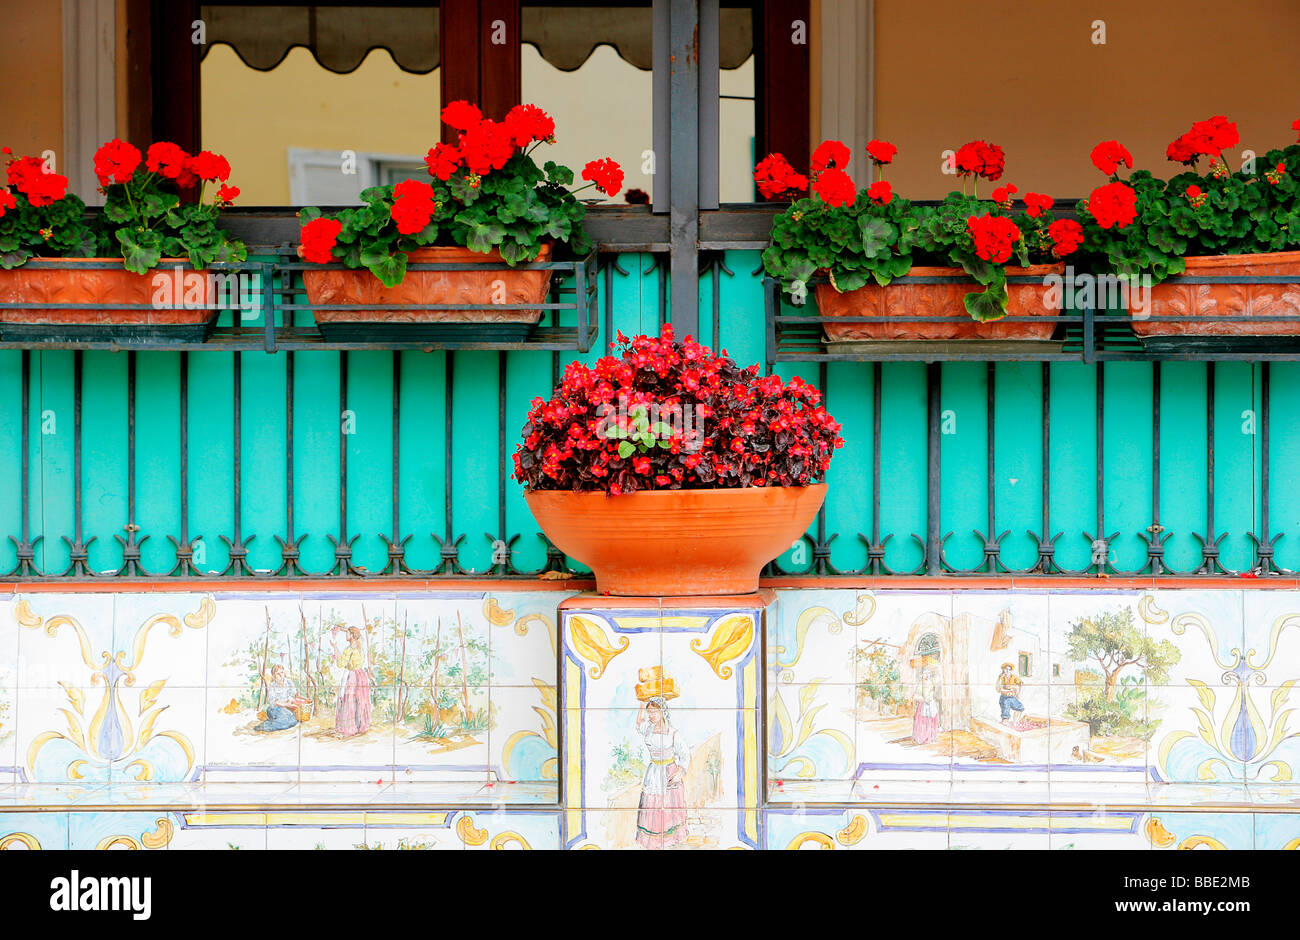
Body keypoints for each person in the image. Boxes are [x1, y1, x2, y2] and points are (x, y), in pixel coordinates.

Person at [635, 697, 689, 849]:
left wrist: (680, 772)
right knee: (652, 804)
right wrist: (641, 702)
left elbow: (685, 755)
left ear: (662, 712)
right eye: (649, 712)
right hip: (653, 772)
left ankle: (669, 839)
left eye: (654, 712)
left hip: (669, 772)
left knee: (667, 805)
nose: (650, 715)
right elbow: (638, 723)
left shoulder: (673, 733)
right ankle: (653, 841)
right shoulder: (648, 728)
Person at [333, 626, 372, 738]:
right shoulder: (359, 647)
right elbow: (356, 634)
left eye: (348, 633)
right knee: (360, 701)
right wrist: (344, 629)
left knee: (349, 701)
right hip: (361, 675)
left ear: (352, 636)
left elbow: (340, 664)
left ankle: (350, 727)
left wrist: (335, 647)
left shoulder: (349, 650)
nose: (346, 635)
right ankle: (361, 725)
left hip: (352, 677)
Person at [253, 664, 308, 732]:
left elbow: (294, 694)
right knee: (289, 721)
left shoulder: (289, 682)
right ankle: (264, 726)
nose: (280, 675)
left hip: (287, 708)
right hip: (274, 708)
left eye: (281, 672)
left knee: (293, 720)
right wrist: (286, 704)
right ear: (273, 675)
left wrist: (296, 701)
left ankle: (272, 722)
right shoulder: (272, 686)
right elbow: (274, 702)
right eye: (277, 673)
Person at [911, 664, 940, 744]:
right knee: (923, 721)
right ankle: (923, 737)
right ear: (922, 675)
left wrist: (930, 698)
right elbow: (915, 696)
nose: (927, 676)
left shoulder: (931, 683)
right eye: (925, 674)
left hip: (931, 704)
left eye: (928, 674)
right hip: (923, 705)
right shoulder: (921, 684)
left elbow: (933, 692)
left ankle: (931, 736)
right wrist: (924, 699)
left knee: (931, 720)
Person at [996, 662, 1026, 727]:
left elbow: (1021, 683)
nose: (1007, 671)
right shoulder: (1001, 677)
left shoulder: (1013, 676)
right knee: (1005, 715)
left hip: (1012, 697)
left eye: (1009, 669)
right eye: (1006, 669)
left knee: (1020, 708)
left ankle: (1015, 724)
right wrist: (1008, 690)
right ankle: (1005, 726)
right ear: (1003, 669)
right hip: (1005, 698)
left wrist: (1018, 693)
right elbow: (998, 689)